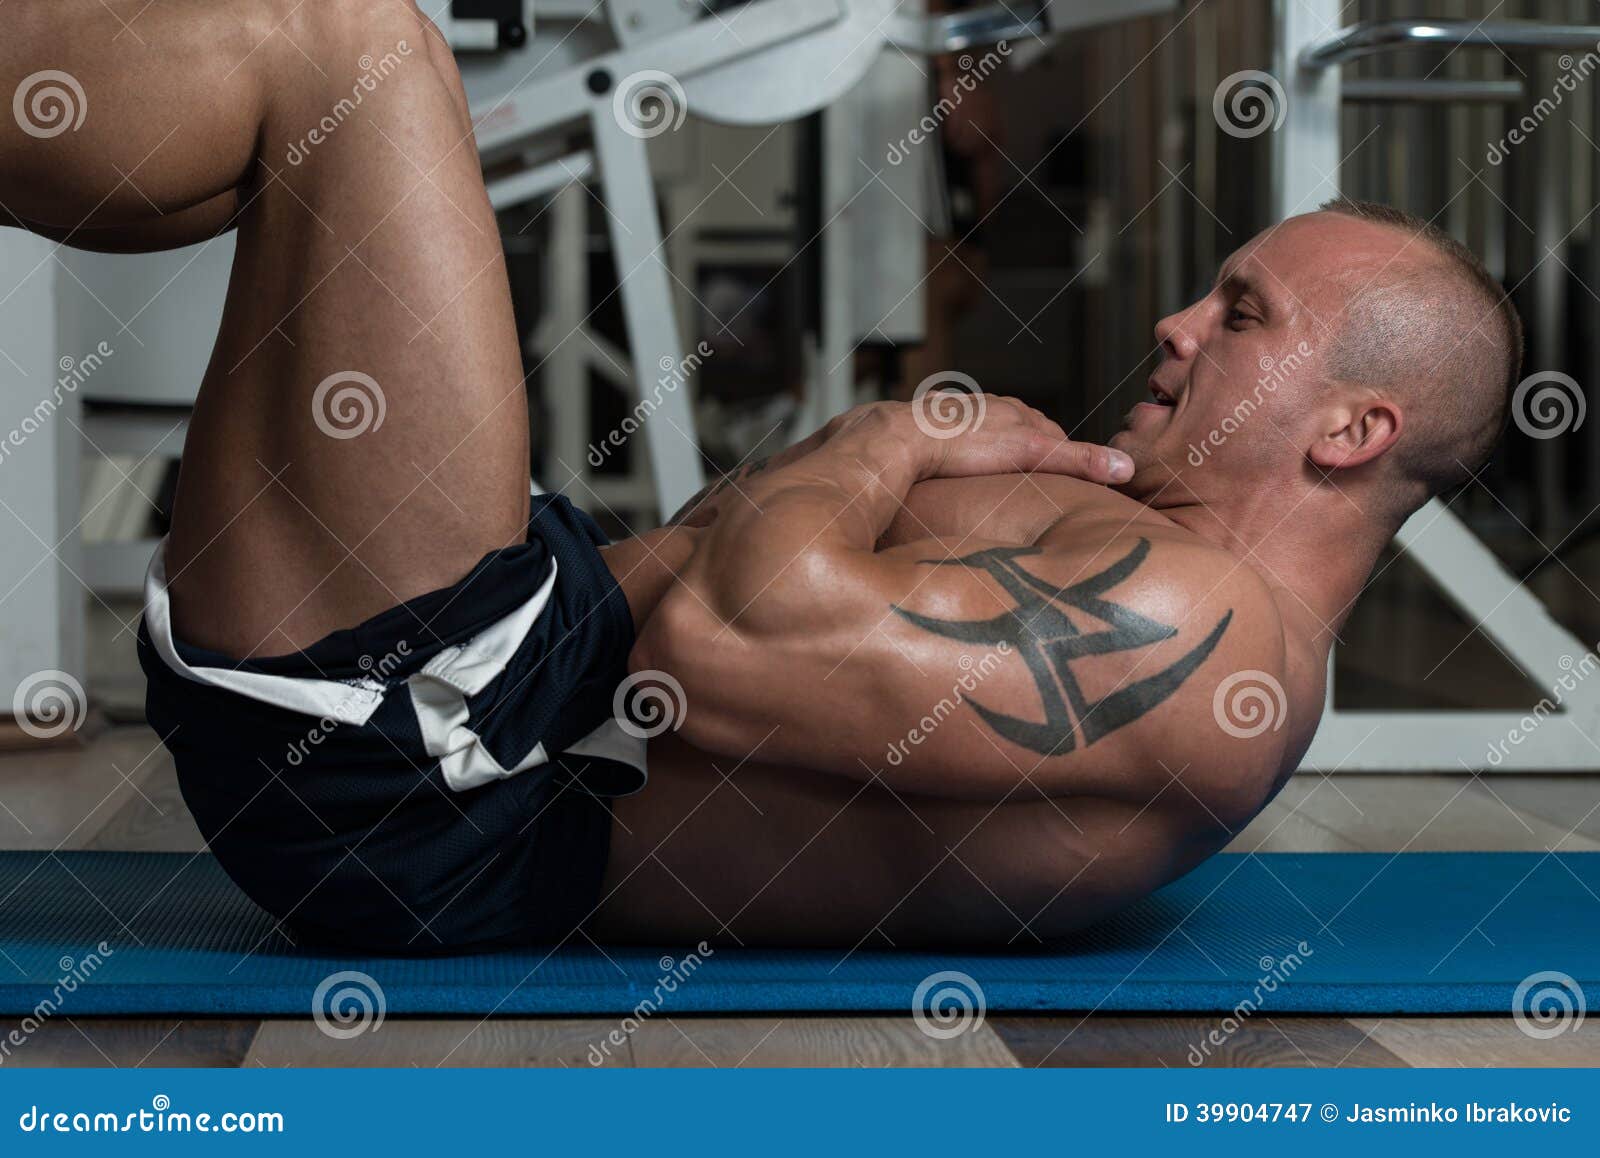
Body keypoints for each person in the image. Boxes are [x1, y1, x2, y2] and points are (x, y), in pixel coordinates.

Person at [1, 0, 1519, 952]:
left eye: (1243, 313)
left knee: (345, 46)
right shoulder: (1156, 554)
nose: (1182, 323)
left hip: (447, 762)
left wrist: (888, 442)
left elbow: (722, 647)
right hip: (479, 673)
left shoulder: (1209, 641)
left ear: (1352, 431)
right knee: (278, 109)